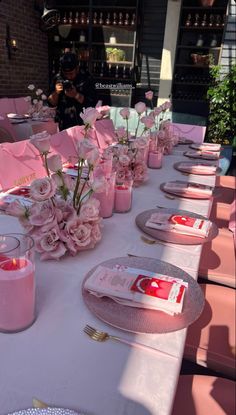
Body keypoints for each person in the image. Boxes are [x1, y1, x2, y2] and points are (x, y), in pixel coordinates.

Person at [48, 52, 98, 131]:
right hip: (63, 122)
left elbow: (92, 104)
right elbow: (51, 103)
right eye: (66, 74)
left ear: (77, 68)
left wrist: (76, 95)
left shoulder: (86, 78)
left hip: (81, 123)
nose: (68, 76)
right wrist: (56, 92)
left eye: (71, 74)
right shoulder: (58, 78)